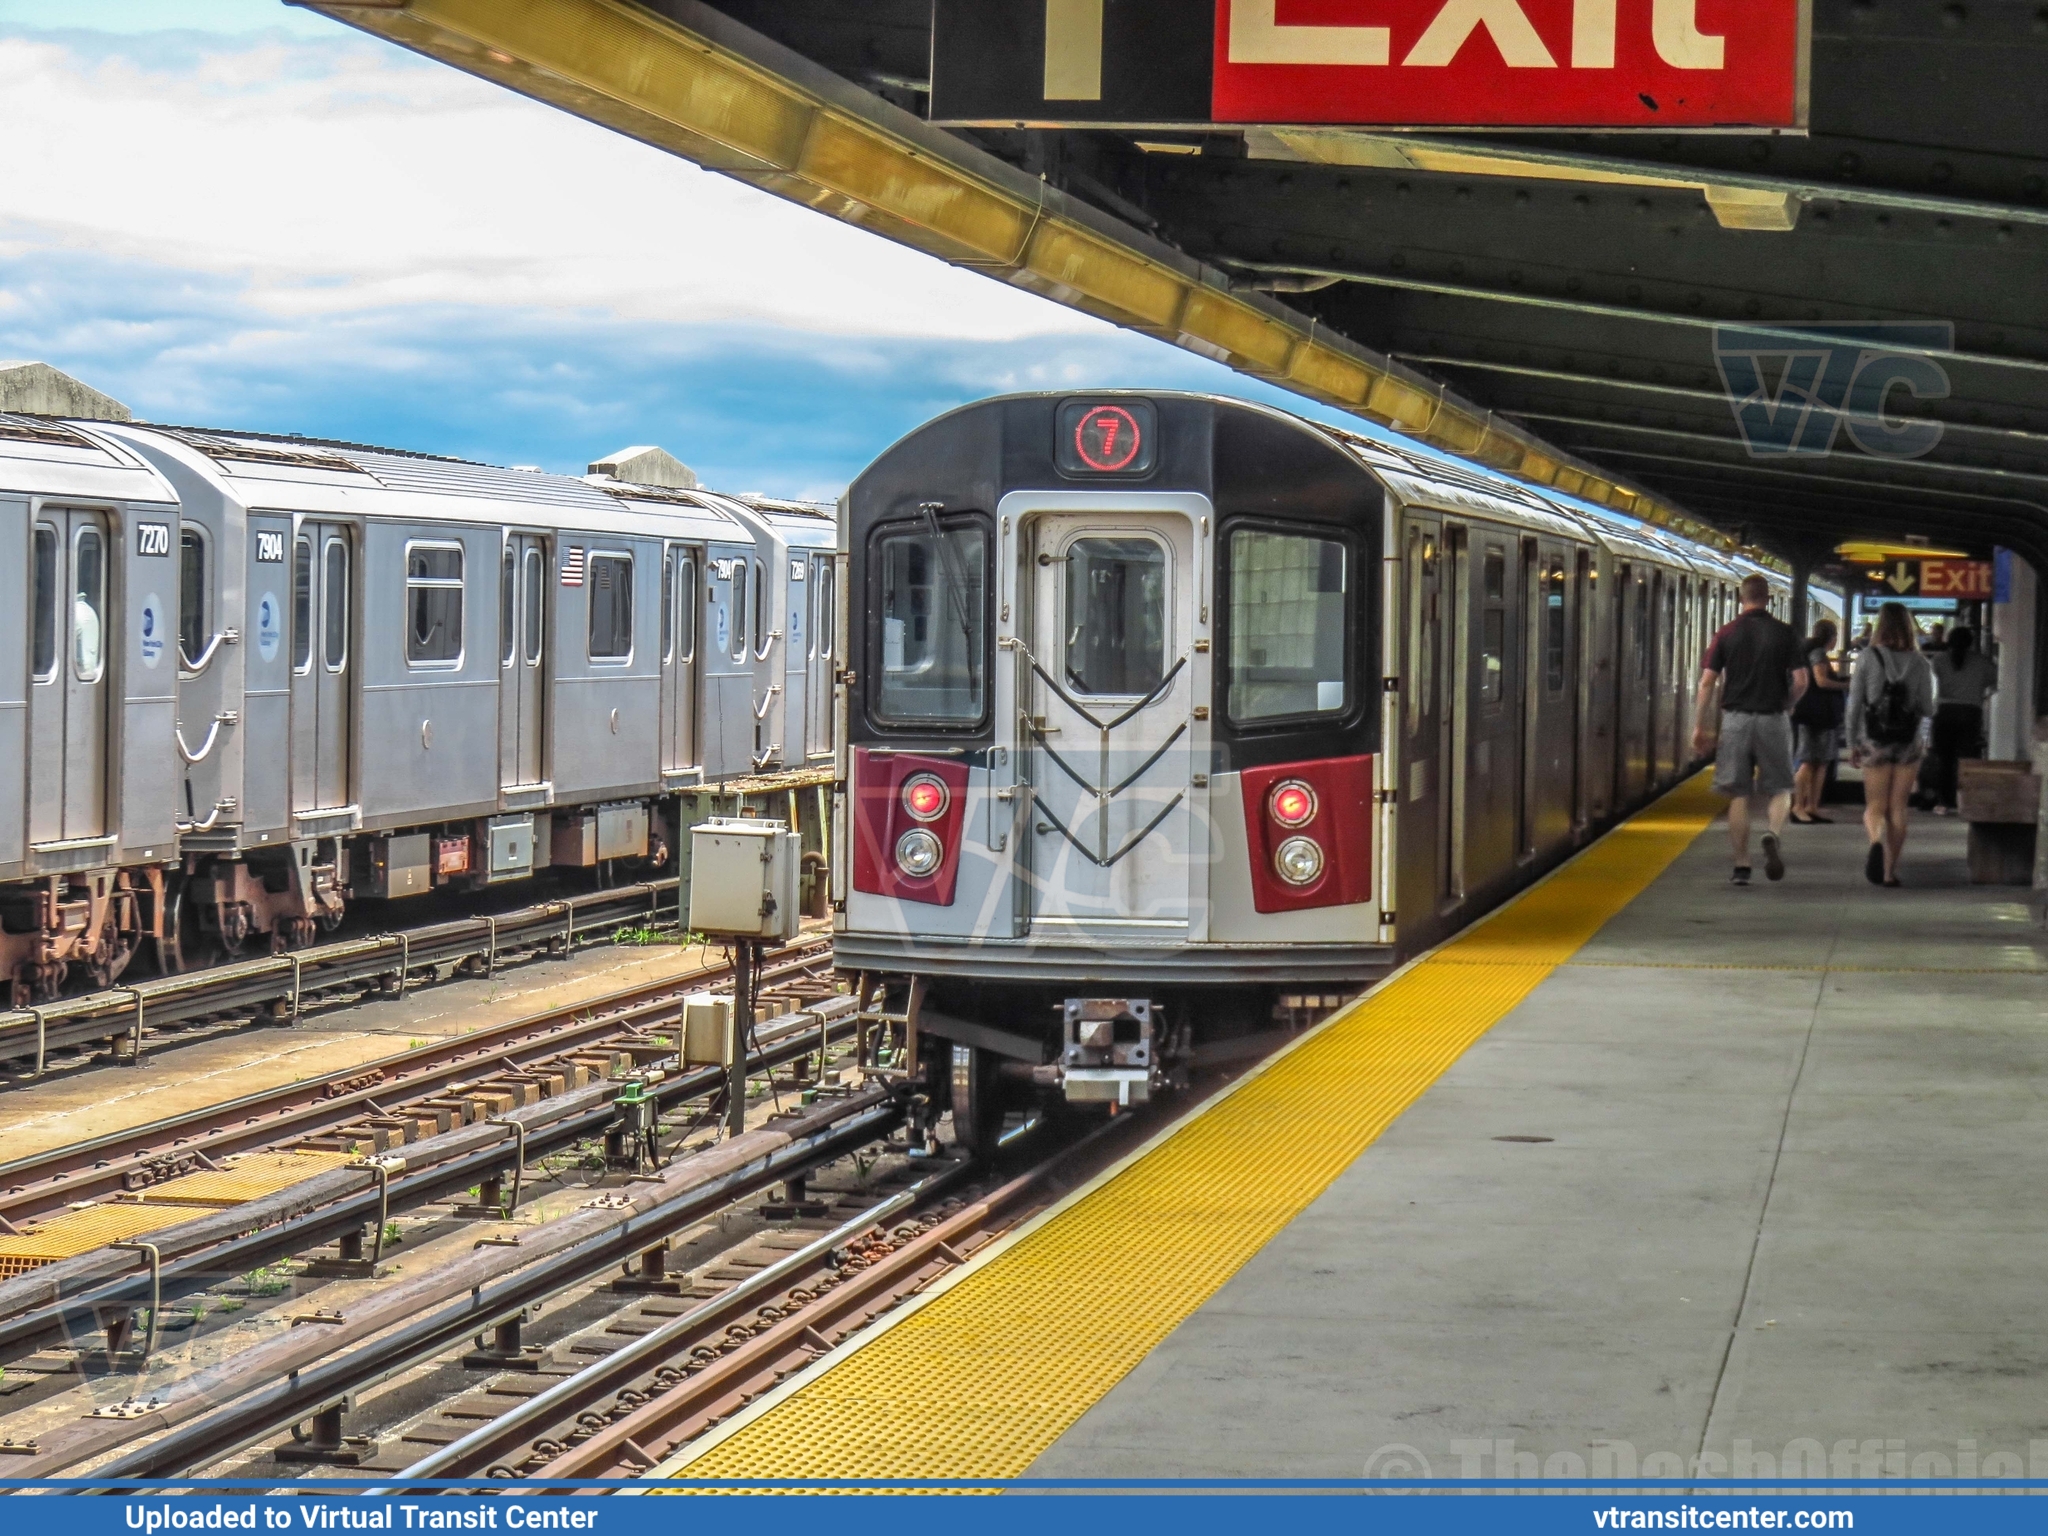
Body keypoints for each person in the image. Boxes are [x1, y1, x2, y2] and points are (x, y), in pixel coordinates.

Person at [1692, 573, 1807, 886]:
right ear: (1768, 599)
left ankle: (1742, 866)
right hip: (1773, 718)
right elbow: (1801, 681)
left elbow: (1707, 682)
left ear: (1741, 599)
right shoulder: (1786, 633)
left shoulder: (1726, 633)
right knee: (1781, 788)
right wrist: (1787, 703)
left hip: (1736, 720)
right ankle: (1772, 834)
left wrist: (1699, 726)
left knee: (1738, 794)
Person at [1845, 601, 1937, 887]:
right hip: (1908, 742)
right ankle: (1888, 872)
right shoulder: (1921, 663)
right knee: (1898, 808)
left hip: (1875, 741)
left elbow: (1854, 705)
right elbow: (1928, 708)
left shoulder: (1867, 658)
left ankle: (1875, 840)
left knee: (1875, 806)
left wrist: (1852, 743)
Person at [1923, 627, 1998, 814]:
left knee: (1944, 759)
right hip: (1971, 713)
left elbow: (1930, 686)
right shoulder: (1982, 662)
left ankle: (1943, 802)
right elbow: (1995, 681)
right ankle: (1967, 801)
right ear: (1971, 643)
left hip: (1944, 712)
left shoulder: (1938, 660)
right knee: (1968, 759)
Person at [1789, 618, 1847, 824]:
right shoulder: (1817, 653)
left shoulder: (1804, 649)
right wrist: (1846, 685)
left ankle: (1812, 805)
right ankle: (1798, 806)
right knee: (1808, 762)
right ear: (1831, 638)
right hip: (1816, 715)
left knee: (1819, 762)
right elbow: (1821, 681)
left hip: (1811, 713)